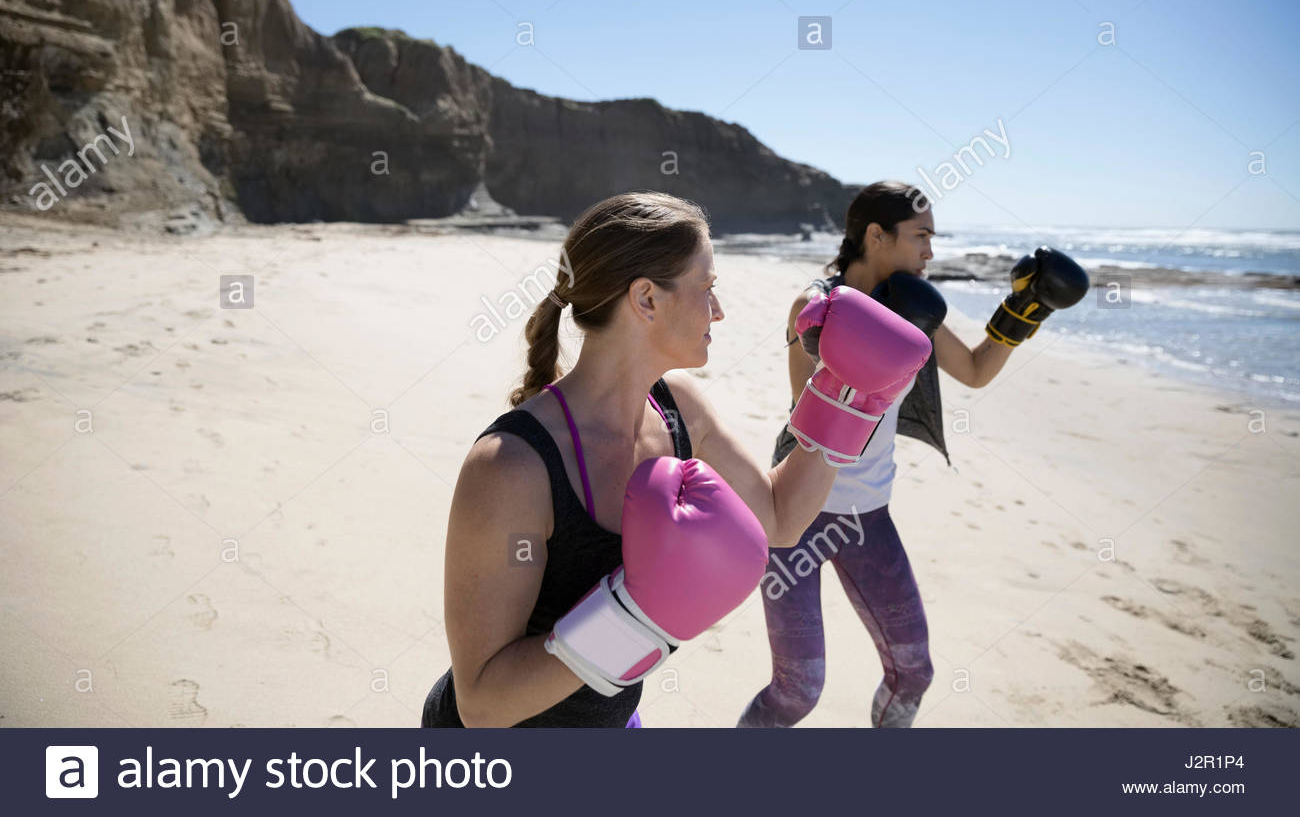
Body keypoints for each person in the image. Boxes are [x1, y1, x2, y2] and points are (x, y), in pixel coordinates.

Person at [421, 191, 933, 727]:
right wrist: (636, 620)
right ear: (646, 299)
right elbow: (479, 704)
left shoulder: (678, 410)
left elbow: (782, 518)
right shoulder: (511, 468)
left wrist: (842, 397)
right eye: (707, 288)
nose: (719, 310)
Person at [737, 180, 1089, 728]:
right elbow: (806, 414)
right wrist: (868, 346)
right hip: (795, 514)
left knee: (914, 670)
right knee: (798, 689)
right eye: (920, 236)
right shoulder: (816, 306)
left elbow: (974, 369)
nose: (931, 251)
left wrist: (1027, 306)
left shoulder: (911, 307)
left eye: (934, 238)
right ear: (876, 235)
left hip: (868, 516)